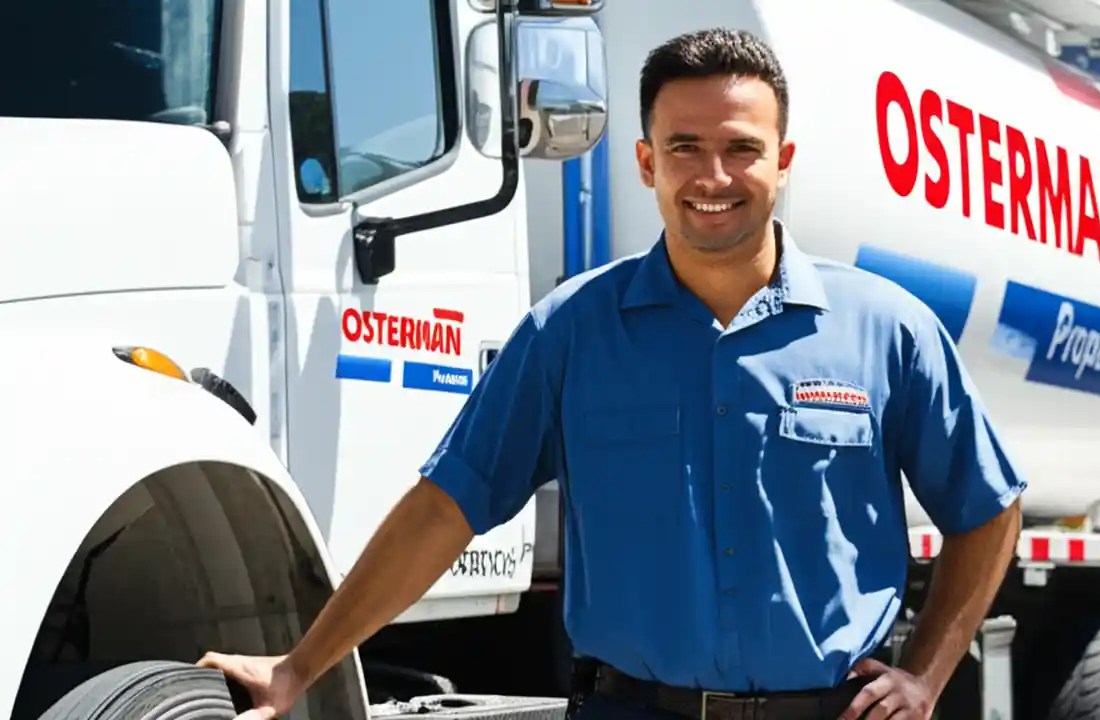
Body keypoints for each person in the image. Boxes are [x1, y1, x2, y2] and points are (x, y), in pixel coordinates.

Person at [198, 27, 1026, 720]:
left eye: (743, 149)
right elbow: (443, 510)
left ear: (784, 161)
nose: (713, 177)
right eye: (685, 148)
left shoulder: (887, 330)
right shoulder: (572, 332)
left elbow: (987, 507)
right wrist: (299, 667)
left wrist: (925, 676)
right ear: (644, 161)